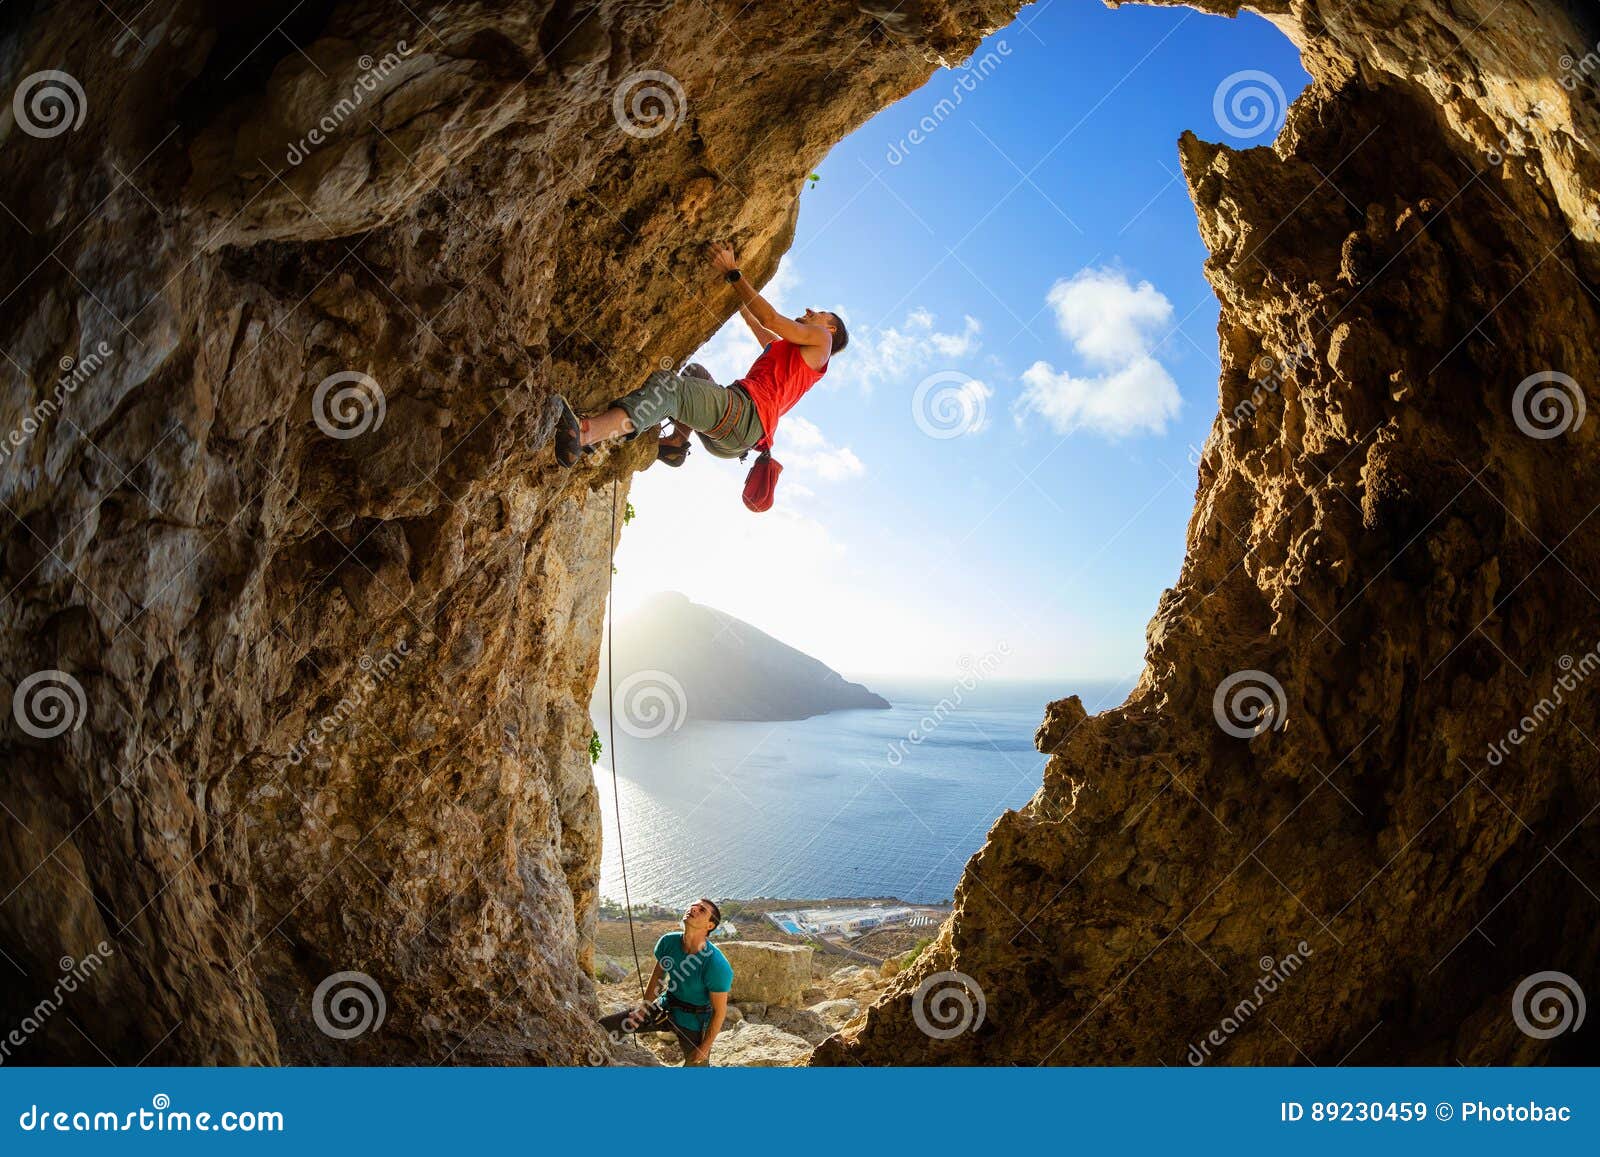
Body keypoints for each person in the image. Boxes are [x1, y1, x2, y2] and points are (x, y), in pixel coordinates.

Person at [551, 242, 848, 468]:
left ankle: (585, 433)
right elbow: (755, 321)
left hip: (744, 415)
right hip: (735, 439)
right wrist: (736, 291)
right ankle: (679, 441)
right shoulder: (788, 354)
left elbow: (770, 319)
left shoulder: (822, 341)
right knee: (694, 372)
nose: (810, 311)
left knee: (668, 390)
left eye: (820, 314)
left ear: (831, 330)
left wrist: (733, 272)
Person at [598, 898, 733, 1066]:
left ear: (710, 926)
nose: (694, 909)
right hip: (665, 1008)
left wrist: (705, 1047)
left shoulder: (715, 964)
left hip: (694, 1022)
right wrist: (643, 1008)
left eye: (702, 910)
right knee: (605, 1026)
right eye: (694, 905)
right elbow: (657, 978)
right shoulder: (668, 942)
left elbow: (719, 1012)